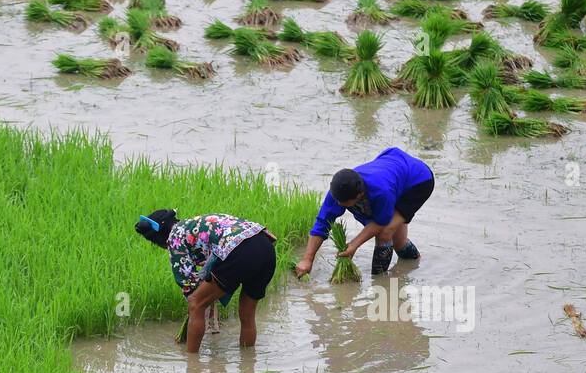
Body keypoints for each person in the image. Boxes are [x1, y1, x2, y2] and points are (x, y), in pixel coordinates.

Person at [136, 209, 277, 354]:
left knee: (195, 303)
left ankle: (192, 365)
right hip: (265, 248)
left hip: (240, 251)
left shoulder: (174, 238)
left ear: (158, 237)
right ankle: (247, 364)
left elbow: (189, 286)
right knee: (247, 314)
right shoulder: (192, 224)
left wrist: (199, 300)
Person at [295, 147, 435, 278]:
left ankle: (379, 281)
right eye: (338, 201)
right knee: (398, 242)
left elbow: (380, 223)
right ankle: (414, 263)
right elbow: (322, 223)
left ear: (360, 195)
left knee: (385, 232)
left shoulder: (381, 192)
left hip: (419, 181)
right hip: (394, 170)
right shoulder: (339, 191)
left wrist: (354, 244)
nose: (339, 205)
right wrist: (307, 259)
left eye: (345, 204)